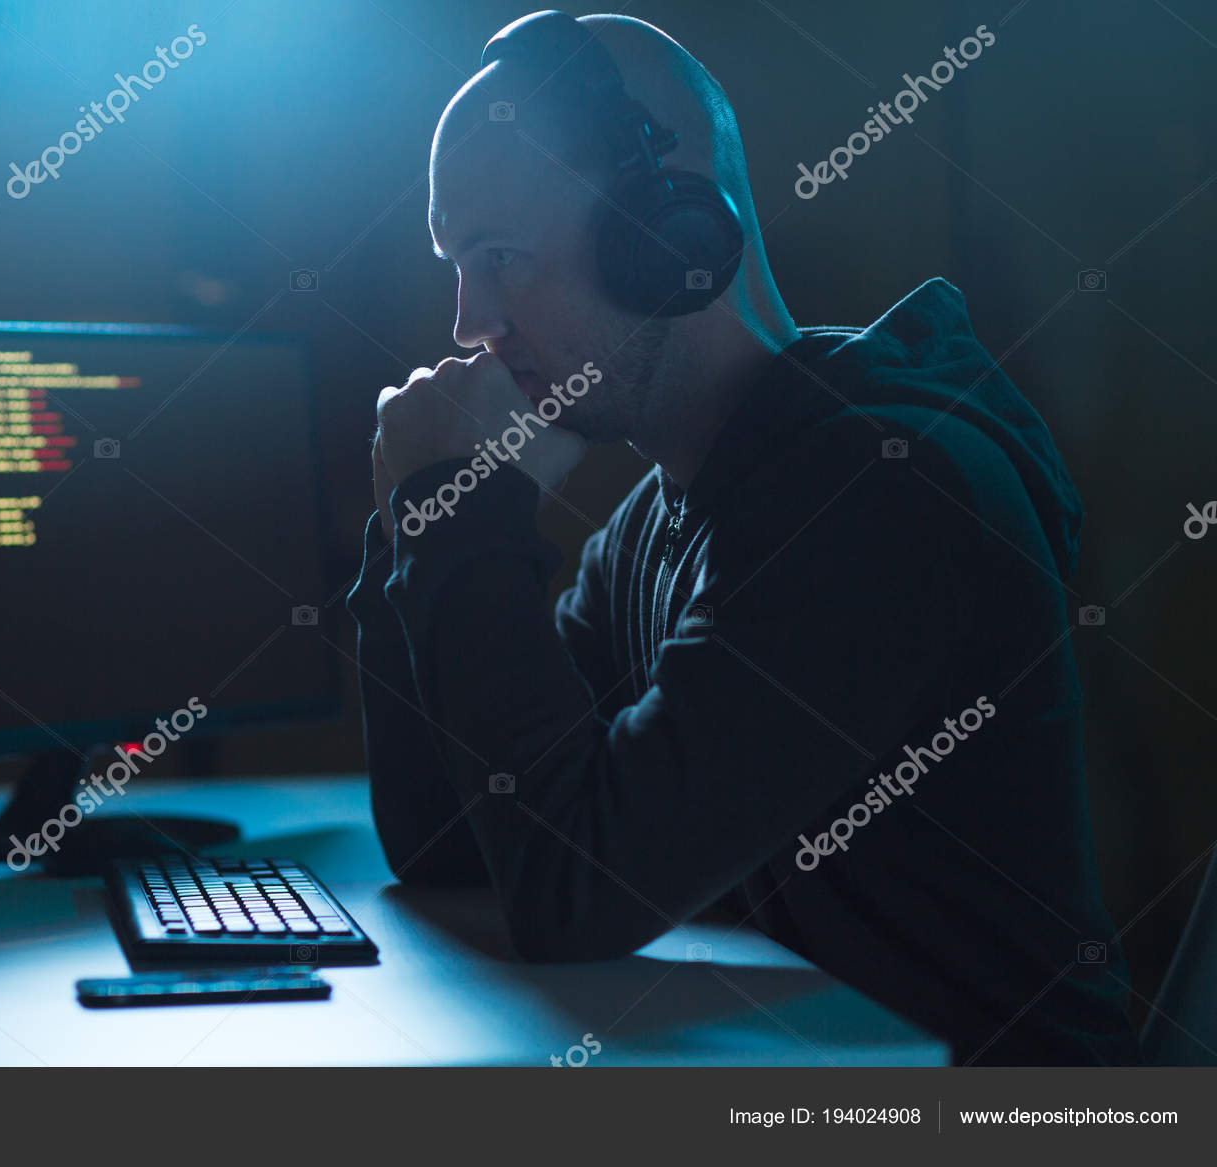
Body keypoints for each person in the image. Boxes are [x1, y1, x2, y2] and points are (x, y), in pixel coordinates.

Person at [346, 11, 1141, 1066]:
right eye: (455, 261)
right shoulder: (656, 523)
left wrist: (456, 508)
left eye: (498, 256)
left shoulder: (880, 497)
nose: (466, 321)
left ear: (666, 239)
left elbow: (571, 892)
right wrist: (419, 517)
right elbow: (451, 841)